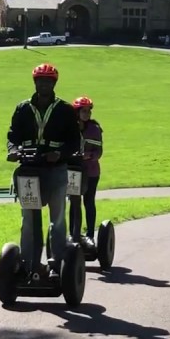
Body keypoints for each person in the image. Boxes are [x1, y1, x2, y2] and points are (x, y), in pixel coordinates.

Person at [6, 62, 81, 278]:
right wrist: (12, 150)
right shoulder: (22, 108)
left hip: (55, 171)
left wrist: (59, 154)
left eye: (48, 81)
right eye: (40, 81)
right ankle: (28, 264)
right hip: (29, 170)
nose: (44, 85)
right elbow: (13, 135)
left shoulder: (65, 110)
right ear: (35, 82)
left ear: (54, 83)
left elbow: (74, 142)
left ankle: (56, 265)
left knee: (56, 218)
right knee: (28, 219)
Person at [70, 96, 103, 244]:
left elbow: (99, 151)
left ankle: (90, 235)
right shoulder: (70, 128)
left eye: (88, 111)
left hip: (91, 172)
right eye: (83, 111)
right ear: (77, 112)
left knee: (88, 202)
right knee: (73, 202)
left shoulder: (94, 129)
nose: (87, 114)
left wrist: (89, 156)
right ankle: (73, 234)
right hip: (73, 172)